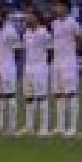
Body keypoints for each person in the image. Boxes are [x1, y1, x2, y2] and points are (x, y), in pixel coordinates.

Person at [50, 0, 82, 137]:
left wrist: (79, 58)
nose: (56, 9)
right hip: (57, 62)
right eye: (55, 6)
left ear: (66, 8)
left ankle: (73, 126)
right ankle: (60, 125)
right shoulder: (54, 24)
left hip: (69, 62)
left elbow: (80, 41)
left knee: (70, 94)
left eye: (59, 6)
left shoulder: (73, 23)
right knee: (58, 94)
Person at [0, 10, 22, 135]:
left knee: (10, 97)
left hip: (8, 68)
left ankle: (12, 127)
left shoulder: (10, 31)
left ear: (3, 17)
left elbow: (17, 49)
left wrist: (13, 64)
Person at [21, 8, 53, 136]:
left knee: (41, 97)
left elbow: (50, 50)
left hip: (40, 68)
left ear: (36, 17)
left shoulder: (44, 32)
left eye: (30, 16)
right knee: (29, 97)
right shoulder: (26, 33)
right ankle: (29, 126)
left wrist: (46, 65)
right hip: (28, 68)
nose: (27, 18)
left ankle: (44, 127)